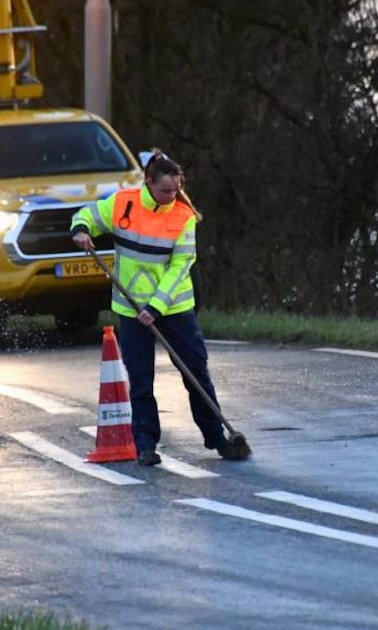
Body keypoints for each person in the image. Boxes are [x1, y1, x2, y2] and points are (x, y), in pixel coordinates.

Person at [70, 152, 246, 466]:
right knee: (140, 379)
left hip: (174, 307)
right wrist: (81, 230)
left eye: (176, 190)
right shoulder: (123, 203)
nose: (171, 196)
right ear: (148, 183)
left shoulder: (183, 216)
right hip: (130, 308)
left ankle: (217, 438)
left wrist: (156, 305)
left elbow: (181, 265)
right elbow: (88, 214)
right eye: (166, 190)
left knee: (195, 372)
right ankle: (146, 444)